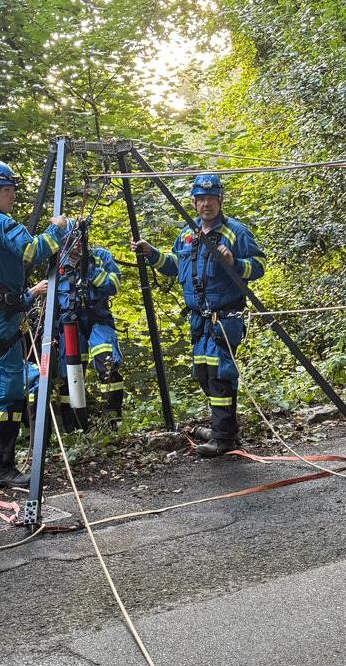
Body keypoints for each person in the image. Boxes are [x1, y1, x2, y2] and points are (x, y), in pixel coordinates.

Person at [130, 174, 266, 457]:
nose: (206, 204)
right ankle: (221, 429)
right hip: (199, 320)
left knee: (220, 375)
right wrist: (151, 253)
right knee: (204, 374)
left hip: (225, 318)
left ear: (220, 200)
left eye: (211, 199)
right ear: (193, 202)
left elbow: (259, 265)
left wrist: (234, 263)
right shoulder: (187, 234)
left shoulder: (235, 232)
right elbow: (174, 264)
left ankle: (225, 438)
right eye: (200, 199)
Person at [0, 159, 70, 488]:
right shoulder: (1, 223)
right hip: (0, 320)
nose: (13, 198)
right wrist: (58, 228)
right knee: (8, 389)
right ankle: (1, 467)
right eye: (9, 192)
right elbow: (34, 251)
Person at [52, 233, 125, 430]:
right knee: (70, 373)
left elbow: (114, 285)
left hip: (97, 319)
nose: (75, 245)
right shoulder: (57, 261)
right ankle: (72, 427)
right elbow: (51, 298)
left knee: (108, 364)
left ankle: (112, 421)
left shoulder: (101, 256)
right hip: (69, 323)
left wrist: (89, 269)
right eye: (70, 240)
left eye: (78, 240)